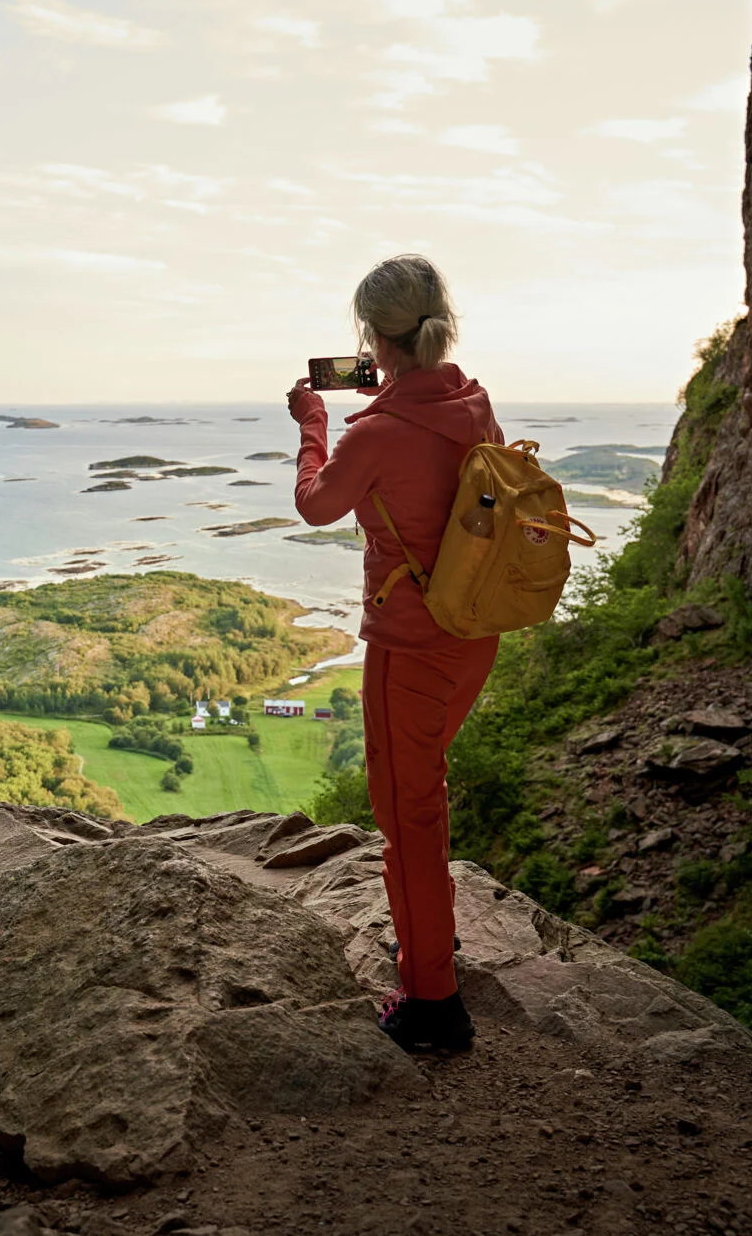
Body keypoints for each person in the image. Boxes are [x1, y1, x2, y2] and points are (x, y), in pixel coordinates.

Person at [285, 254, 502, 1052]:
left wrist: (314, 425)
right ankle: (429, 948)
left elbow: (317, 504)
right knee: (425, 799)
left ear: (373, 337)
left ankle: (432, 1002)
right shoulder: (472, 405)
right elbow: (436, 456)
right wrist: (388, 396)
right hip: (475, 632)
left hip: (409, 645)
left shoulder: (375, 432)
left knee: (408, 817)